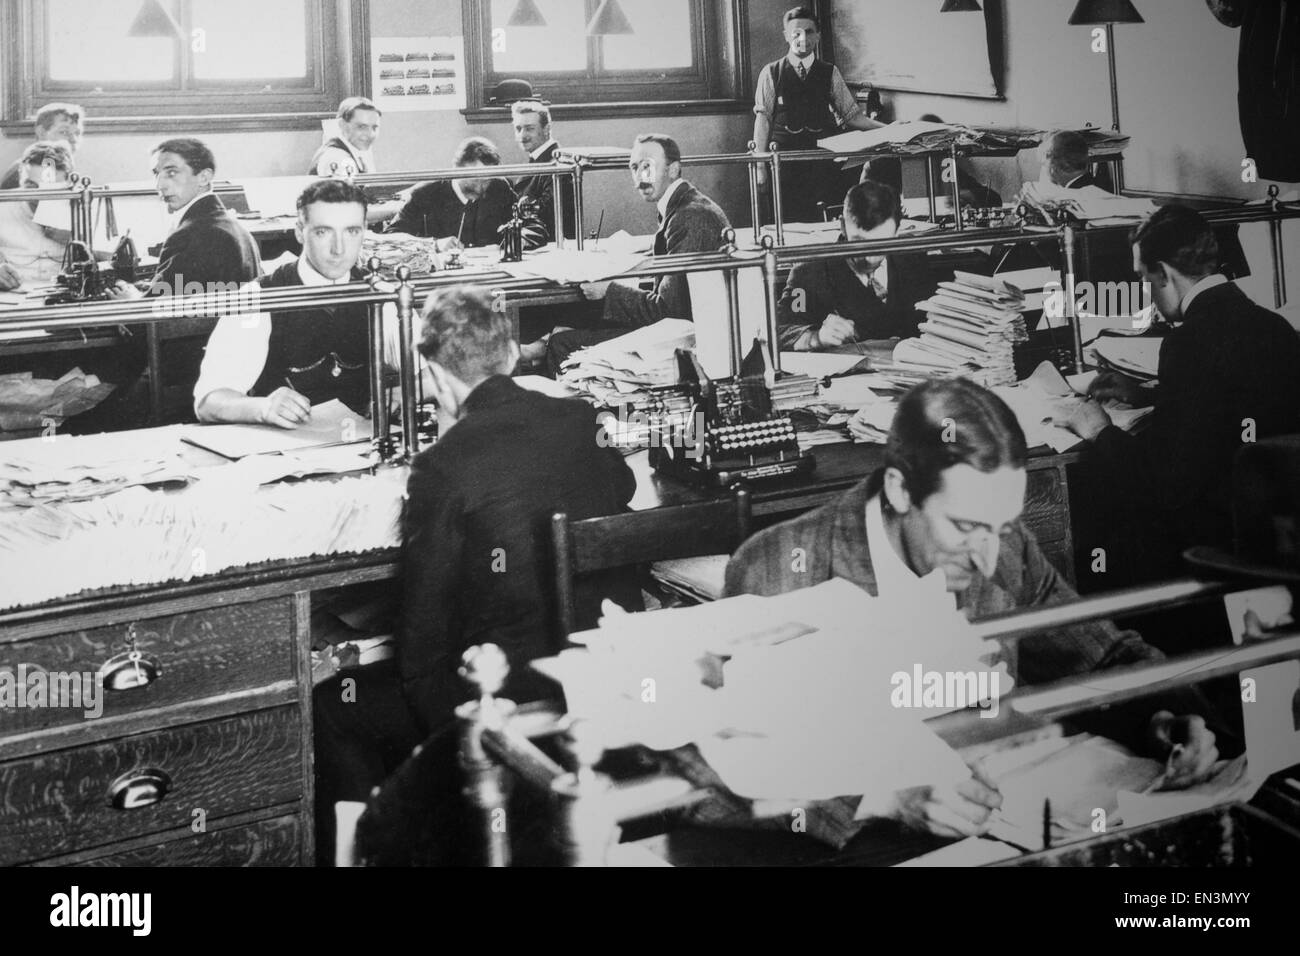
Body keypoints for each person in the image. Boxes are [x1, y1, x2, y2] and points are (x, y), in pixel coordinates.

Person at [726, 378, 1229, 838]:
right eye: (966, 527)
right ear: (901, 491)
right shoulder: (781, 570)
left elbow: (1104, 657)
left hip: (1009, 823)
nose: (989, 557)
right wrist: (888, 796)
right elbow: (719, 779)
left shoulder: (1002, 546)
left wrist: (1167, 719)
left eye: (1003, 524)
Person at [311, 285, 641, 864]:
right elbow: (622, 488)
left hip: (508, 703)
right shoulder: (580, 416)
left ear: (434, 377)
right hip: (602, 683)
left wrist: (450, 739)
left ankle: (404, 840)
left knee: (334, 706)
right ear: (511, 354)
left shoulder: (441, 465)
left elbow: (423, 642)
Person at [1064, 205, 1300, 585]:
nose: (1146, 290)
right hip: (1279, 530)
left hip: (1222, 538)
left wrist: (1098, 430)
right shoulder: (1273, 325)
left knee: (1093, 540)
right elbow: (1231, 404)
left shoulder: (1187, 342)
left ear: (1163, 273)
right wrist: (1148, 395)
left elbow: (1164, 482)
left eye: (1143, 277)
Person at [194, 178, 408, 425]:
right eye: (322, 232)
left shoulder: (381, 294)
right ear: (299, 231)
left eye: (351, 231)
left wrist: (403, 393)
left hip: (363, 446)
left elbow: (437, 372)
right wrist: (261, 407)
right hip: (283, 452)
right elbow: (208, 402)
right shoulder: (258, 297)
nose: (339, 249)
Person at [543, 134, 731, 371]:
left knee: (563, 344)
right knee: (568, 327)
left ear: (674, 170)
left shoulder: (689, 216)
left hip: (689, 340)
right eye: (634, 167)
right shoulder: (684, 206)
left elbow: (667, 310)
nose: (640, 177)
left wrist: (608, 290)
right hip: (680, 327)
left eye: (648, 166)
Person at [752, 6, 882, 225]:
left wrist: (890, 128)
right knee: (786, 226)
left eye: (809, 32)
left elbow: (853, 116)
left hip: (820, 166)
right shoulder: (771, 73)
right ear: (786, 36)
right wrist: (760, 166)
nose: (803, 38)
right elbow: (762, 121)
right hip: (783, 167)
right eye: (796, 33)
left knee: (822, 224)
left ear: (818, 36)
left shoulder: (829, 72)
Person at [777, 180, 937, 350]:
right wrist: (815, 338)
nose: (868, 257)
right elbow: (780, 330)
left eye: (880, 244)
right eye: (859, 242)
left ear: (897, 231)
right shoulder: (810, 272)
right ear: (843, 226)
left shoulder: (912, 259)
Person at [385, 136, 544, 250]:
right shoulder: (425, 194)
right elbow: (392, 237)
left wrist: (520, 238)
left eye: (487, 179)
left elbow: (534, 226)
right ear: (456, 169)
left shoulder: (498, 188)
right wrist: (433, 244)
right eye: (475, 178)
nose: (482, 187)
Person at [0, 142, 74, 290]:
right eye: (31, 186)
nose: (37, 196)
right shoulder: (3, 207)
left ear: (68, 182)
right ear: (21, 176)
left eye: (49, 188)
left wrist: (75, 238)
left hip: (67, 297)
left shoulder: (83, 209)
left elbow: (114, 259)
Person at [511, 99, 576, 241]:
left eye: (529, 128)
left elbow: (547, 216)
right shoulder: (539, 159)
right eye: (518, 129)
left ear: (546, 129)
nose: (522, 135)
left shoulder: (557, 165)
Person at [0, 103, 84, 191]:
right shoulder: (24, 170)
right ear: (42, 133)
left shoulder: (67, 168)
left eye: (77, 133)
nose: (73, 139)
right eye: (64, 132)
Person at [309, 97, 382, 177]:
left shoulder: (355, 151)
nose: (370, 134)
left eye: (374, 127)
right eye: (361, 127)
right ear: (342, 125)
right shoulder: (338, 158)